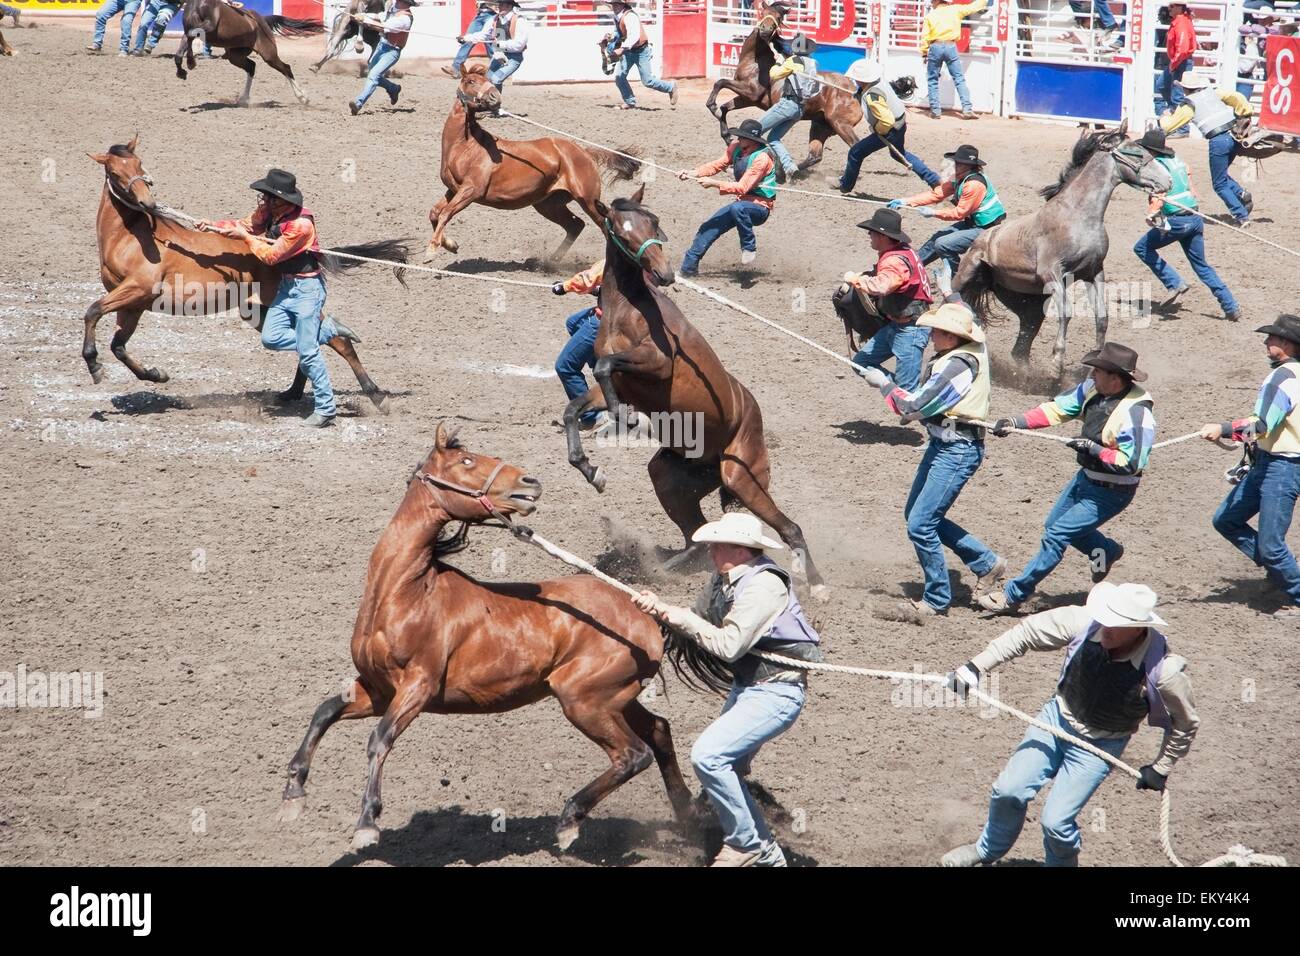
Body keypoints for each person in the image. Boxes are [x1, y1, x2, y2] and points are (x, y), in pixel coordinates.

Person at [941, 582, 1199, 867]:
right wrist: (975, 667)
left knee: (1056, 822)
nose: (1106, 628)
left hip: (1101, 744)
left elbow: (1185, 722)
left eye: (1116, 624)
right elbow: (1026, 633)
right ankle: (986, 850)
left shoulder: (1164, 672)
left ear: (1139, 629)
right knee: (1008, 790)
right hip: (1056, 719)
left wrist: (1162, 766)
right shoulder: (1084, 621)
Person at [632, 511, 824, 867]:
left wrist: (679, 617)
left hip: (777, 692)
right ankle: (766, 855)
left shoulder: (764, 585)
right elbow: (693, 620)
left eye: (717, 544)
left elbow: (728, 646)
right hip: (751, 688)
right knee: (727, 764)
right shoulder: (723, 580)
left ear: (739, 550)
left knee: (709, 756)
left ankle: (747, 844)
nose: (710, 550)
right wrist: (658, 609)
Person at [980, 343, 1156, 614]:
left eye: (1098, 370)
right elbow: (1057, 409)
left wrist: (1094, 449)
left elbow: (1130, 464)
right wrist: (1017, 422)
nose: (1092, 374)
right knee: (1054, 524)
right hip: (1086, 478)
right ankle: (1105, 551)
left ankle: (1015, 594)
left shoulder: (1137, 414)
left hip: (1112, 491)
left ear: (1115, 377)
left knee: (1056, 534)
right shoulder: (1092, 389)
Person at [859, 303, 1004, 620]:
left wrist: (884, 383)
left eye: (938, 331)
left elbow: (916, 405)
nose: (932, 335)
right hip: (946, 443)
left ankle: (937, 598)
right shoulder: (960, 355)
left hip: (957, 449)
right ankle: (985, 562)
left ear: (953, 337)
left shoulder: (957, 366)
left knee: (921, 524)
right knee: (918, 516)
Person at [196, 169, 358, 428]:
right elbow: (244, 225)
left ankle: (326, 410)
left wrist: (246, 239)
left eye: (270, 198)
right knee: (270, 338)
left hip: (307, 291)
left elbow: (271, 256)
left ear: (284, 201)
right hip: (287, 288)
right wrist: (213, 226)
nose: (265, 202)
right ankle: (327, 330)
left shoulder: (301, 226)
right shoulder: (270, 213)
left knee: (307, 353)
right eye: (265, 197)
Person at [1202, 315, 1300, 619]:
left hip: (1283, 467)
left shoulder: (1283, 378)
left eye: (1271, 338)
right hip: (1272, 462)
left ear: (1286, 344)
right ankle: (1278, 573)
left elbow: (1260, 425)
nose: (1266, 342)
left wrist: (1223, 428)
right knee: (1226, 520)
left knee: (1270, 544)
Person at [1131, 128, 1240, 323]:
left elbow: (1161, 194)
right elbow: (1190, 184)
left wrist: (1151, 213)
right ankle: (1230, 305)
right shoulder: (1178, 161)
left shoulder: (1158, 168)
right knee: (1202, 266)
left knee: (1142, 247)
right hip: (1194, 218)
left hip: (1177, 221)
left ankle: (1174, 282)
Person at [889, 143, 1005, 297]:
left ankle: (958, 282)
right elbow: (938, 194)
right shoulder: (962, 179)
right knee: (936, 239)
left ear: (970, 166)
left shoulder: (973, 185)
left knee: (943, 244)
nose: (957, 166)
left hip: (986, 230)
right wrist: (906, 201)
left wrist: (933, 213)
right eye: (956, 162)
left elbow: (959, 213)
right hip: (974, 223)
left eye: (961, 163)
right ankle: (908, 268)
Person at [838, 208, 934, 392]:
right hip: (898, 325)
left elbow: (883, 286)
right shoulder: (905, 252)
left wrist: (857, 280)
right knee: (861, 363)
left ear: (883, 235)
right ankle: (902, 392)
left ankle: (911, 397)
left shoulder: (894, 261)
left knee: (907, 396)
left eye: (872, 232)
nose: (869, 235)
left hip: (910, 330)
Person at [678, 119, 778, 276]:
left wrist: (714, 184)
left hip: (759, 208)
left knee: (738, 208)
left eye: (742, 137)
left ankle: (748, 248)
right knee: (708, 227)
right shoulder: (736, 148)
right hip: (740, 205)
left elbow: (742, 187)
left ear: (752, 140)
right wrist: (692, 173)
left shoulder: (762, 159)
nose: (738, 140)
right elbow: (717, 164)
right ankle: (687, 270)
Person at [1162, 73, 1255, 226]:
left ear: (1185, 88)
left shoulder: (1188, 105)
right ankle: (1240, 193)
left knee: (1219, 184)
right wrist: (1244, 112)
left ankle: (1241, 215)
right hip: (1234, 136)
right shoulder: (1213, 92)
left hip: (1218, 140)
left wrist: (1164, 116)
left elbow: (1168, 126)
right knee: (1221, 175)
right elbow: (1236, 97)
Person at [838, 59, 941, 193]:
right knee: (899, 154)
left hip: (889, 129)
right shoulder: (879, 82)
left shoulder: (872, 95)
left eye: (857, 79)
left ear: (862, 80)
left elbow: (886, 120)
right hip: (900, 125)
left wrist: (878, 131)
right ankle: (933, 179)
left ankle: (845, 185)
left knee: (855, 153)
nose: (855, 81)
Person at [552, 259, 605, 431]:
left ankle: (592, 416)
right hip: (624, 312)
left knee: (565, 366)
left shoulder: (618, 255)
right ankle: (604, 380)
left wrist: (564, 287)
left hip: (607, 318)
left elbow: (587, 279)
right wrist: (599, 290)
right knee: (573, 323)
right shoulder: (648, 260)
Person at [757, 32, 819, 180]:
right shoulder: (812, 63)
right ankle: (790, 167)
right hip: (800, 109)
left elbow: (774, 75)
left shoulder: (793, 61)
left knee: (755, 130)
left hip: (788, 104)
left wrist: (778, 61)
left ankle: (750, 164)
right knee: (773, 138)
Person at [605, 0, 678, 110]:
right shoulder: (618, 17)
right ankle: (630, 102)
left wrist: (622, 48)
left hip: (641, 51)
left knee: (647, 81)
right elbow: (618, 33)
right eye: (613, 4)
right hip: (629, 51)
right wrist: (609, 38)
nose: (614, 6)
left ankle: (670, 87)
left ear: (622, 5)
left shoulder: (630, 16)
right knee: (620, 77)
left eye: (617, 4)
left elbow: (634, 36)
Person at [920, 0, 986, 120]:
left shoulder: (930, 16)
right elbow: (974, 6)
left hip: (936, 46)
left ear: (936, 2)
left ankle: (935, 111)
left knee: (932, 79)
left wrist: (924, 53)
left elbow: (925, 36)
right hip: (951, 46)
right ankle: (967, 109)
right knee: (959, 78)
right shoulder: (955, 10)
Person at [349, 0, 416, 115]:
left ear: (405, 3)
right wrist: (364, 15)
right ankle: (393, 88)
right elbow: (380, 16)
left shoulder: (404, 19)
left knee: (373, 76)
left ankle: (358, 103)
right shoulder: (395, 11)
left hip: (391, 51)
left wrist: (365, 20)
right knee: (373, 73)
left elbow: (383, 27)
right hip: (382, 45)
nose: (396, 1)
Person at [460, 0, 530, 90]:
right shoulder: (494, 19)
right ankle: (492, 102)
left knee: (496, 79)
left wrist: (501, 44)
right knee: (487, 80)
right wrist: (466, 38)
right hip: (498, 56)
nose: (499, 6)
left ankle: (495, 103)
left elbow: (519, 44)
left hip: (513, 58)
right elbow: (483, 35)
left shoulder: (519, 21)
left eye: (502, 4)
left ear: (509, 6)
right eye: (499, 4)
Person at [1159, 3, 1197, 127]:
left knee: (1177, 95)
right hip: (1179, 60)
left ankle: (1181, 127)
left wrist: (1174, 63)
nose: (1169, 8)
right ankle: (1175, 113)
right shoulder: (1181, 21)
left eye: (1172, 6)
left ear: (1179, 8)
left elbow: (1182, 47)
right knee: (1162, 85)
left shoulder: (1180, 23)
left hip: (1181, 61)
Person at [445, 1, 496, 78]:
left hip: (492, 14)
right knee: (467, 40)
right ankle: (456, 68)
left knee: (489, 44)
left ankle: (496, 70)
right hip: (480, 14)